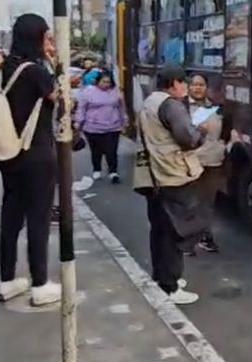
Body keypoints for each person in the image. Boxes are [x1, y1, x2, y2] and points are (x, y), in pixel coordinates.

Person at [0, 13, 62, 306]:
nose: (49, 43)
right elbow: (60, 98)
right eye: (46, 37)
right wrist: (54, 63)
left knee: (11, 216)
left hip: (9, 152)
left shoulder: (6, 68)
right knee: (39, 218)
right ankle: (40, 283)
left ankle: (7, 280)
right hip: (37, 153)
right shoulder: (36, 71)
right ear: (37, 38)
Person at [139, 65, 210, 305]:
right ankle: (170, 285)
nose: (187, 88)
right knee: (175, 230)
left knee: (159, 229)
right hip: (172, 173)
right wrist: (202, 131)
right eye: (184, 83)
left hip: (154, 175)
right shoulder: (172, 105)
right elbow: (188, 139)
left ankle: (161, 278)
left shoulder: (150, 101)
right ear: (175, 83)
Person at [186, 73, 226, 254]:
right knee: (189, 201)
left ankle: (205, 237)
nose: (197, 88)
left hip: (213, 161)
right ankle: (187, 240)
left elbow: (226, 130)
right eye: (194, 85)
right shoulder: (180, 107)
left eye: (201, 85)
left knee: (207, 202)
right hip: (190, 161)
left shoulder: (216, 107)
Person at [75, 69, 127, 183]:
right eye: (103, 82)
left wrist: (124, 122)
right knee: (96, 150)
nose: (106, 84)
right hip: (92, 127)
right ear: (97, 81)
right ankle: (97, 169)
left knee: (111, 150)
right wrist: (79, 122)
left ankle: (113, 172)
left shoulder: (115, 92)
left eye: (108, 82)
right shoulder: (88, 91)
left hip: (113, 126)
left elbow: (121, 108)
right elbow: (82, 108)